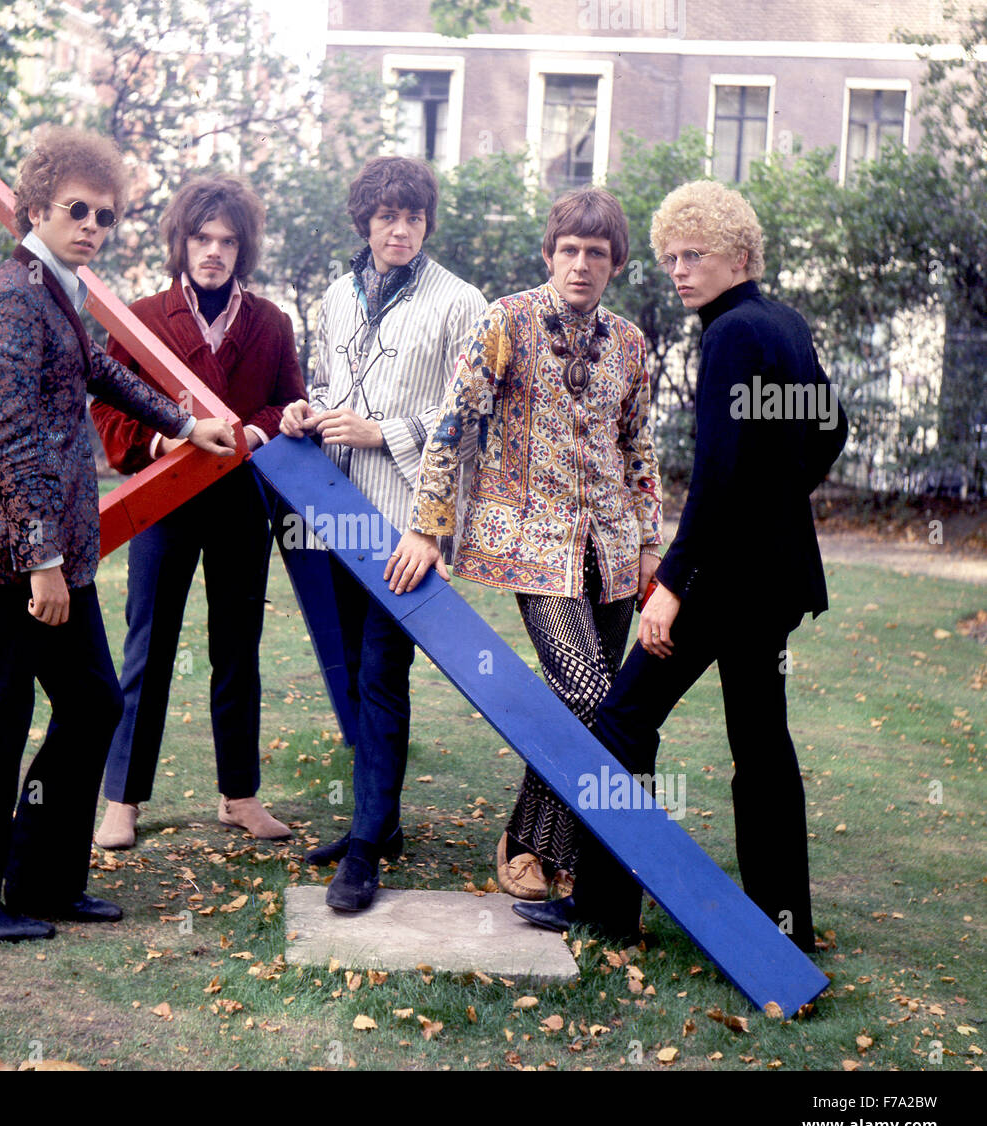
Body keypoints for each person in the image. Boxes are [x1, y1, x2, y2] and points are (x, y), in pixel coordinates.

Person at [0, 127, 236, 941]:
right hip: (20, 553)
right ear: (33, 209)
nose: (93, 224)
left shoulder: (55, 287)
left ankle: (42, 876)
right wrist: (43, 566)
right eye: (77, 210)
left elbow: (98, 368)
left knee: (92, 702)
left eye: (107, 214)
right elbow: (12, 439)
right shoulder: (9, 302)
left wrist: (182, 422)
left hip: (55, 548)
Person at [512, 180, 848, 952]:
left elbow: (721, 477)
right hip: (776, 577)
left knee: (622, 719)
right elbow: (831, 428)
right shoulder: (784, 324)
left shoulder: (732, 335)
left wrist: (670, 585)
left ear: (737, 254)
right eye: (670, 258)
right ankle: (782, 922)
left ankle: (604, 910)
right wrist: (778, 496)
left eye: (693, 255)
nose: (679, 271)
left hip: (724, 581)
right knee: (762, 745)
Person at [388, 187, 663, 902]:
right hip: (531, 543)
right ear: (549, 254)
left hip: (611, 548)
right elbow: (454, 425)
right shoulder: (504, 321)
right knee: (588, 693)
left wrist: (649, 545)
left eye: (595, 254)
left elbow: (638, 448)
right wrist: (428, 525)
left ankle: (544, 845)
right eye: (568, 250)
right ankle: (530, 843)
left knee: (581, 705)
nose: (580, 265)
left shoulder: (631, 344)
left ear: (615, 264)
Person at [280, 156, 486, 911]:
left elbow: (473, 421)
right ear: (365, 221)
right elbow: (331, 386)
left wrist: (383, 431)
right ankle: (379, 821)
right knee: (348, 671)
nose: (400, 230)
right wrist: (304, 412)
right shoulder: (338, 295)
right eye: (386, 217)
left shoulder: (463, 303)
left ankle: (366, 850)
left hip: (404, 525)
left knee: (379, 673)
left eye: (414, 217)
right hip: (332, 510)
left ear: (427, 222)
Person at [91, 175, 305, 849]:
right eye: (201, 238)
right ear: (180, 242)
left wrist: (253, 435)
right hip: (163, 497)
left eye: (228, 241)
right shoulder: (141, 318)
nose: (214, 252)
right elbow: (106, 407)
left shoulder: (271, 323)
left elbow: (287, 402)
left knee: (237, 646)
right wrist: (161, 441)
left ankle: (238, 795)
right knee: (147, 644)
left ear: (244, 249)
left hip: (241, 497)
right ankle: (122, 799)